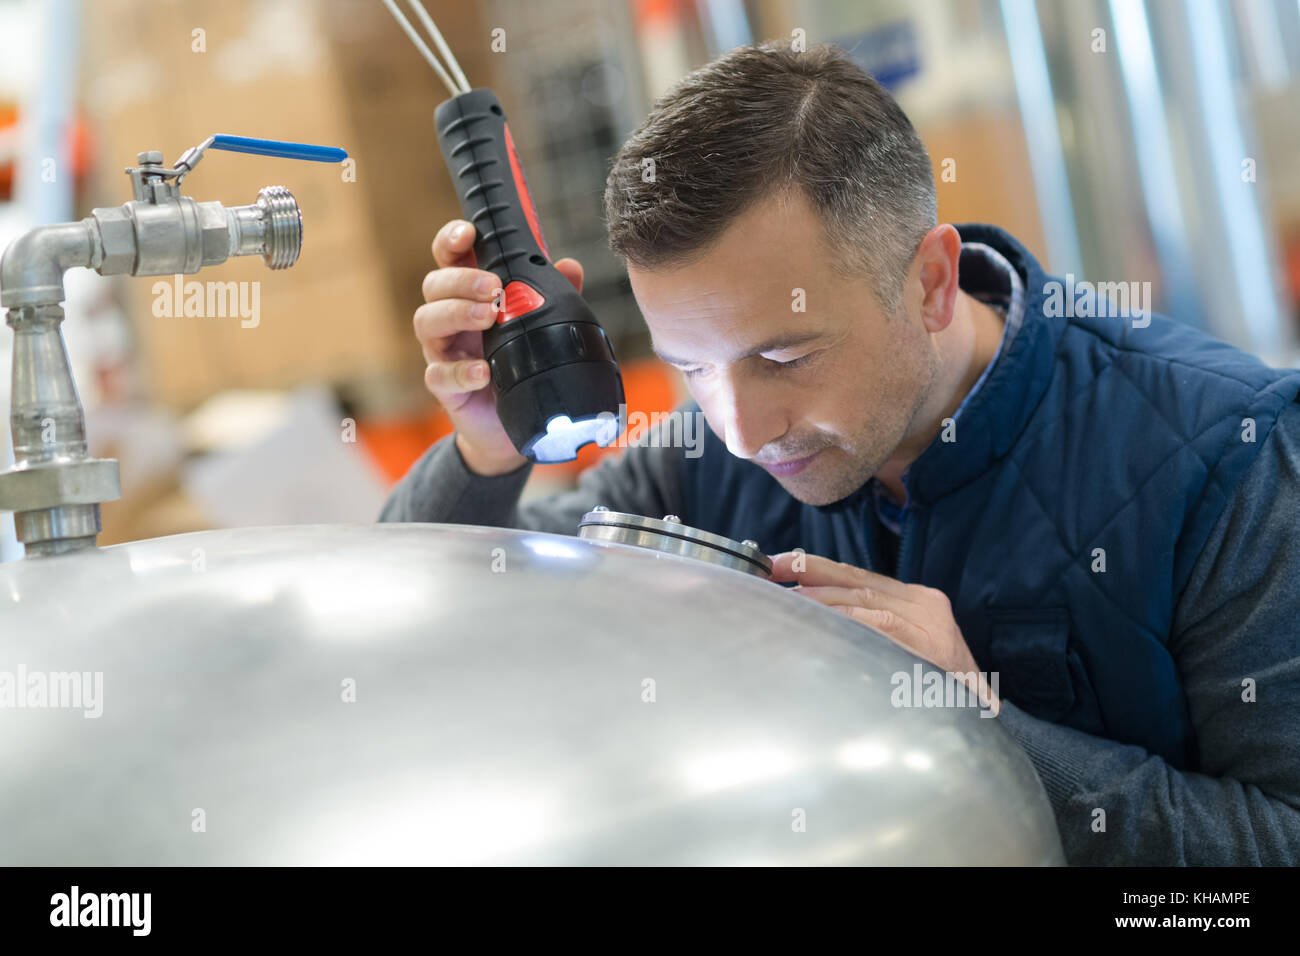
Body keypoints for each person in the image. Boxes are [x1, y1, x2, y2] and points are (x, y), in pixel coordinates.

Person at [381, 41, 1300, 865]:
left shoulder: (1228, 456)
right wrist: (485, 448)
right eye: (692, 366)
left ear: (931, 283)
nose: (741, 429)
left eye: (783, 356)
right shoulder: (696, 463)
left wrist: (988, 737)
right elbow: (435, 623)